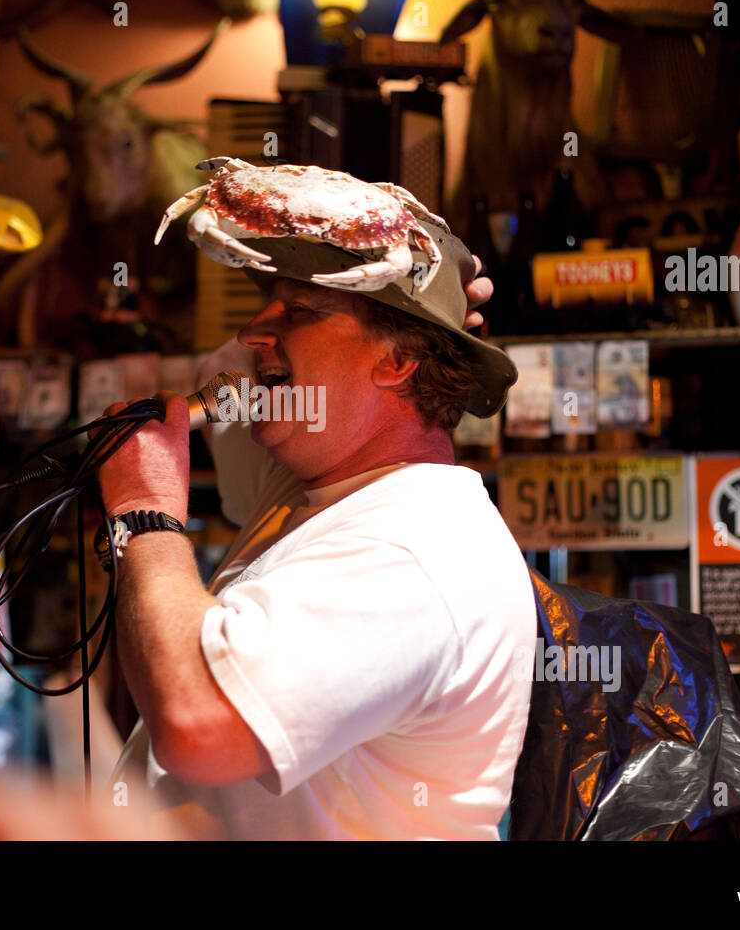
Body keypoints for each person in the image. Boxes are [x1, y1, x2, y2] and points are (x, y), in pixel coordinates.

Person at [96, 212, 537, 839]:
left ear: (399, 359)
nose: (254, 331)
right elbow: (226, 367)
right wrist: (428, 291)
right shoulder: (320, 482)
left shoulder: (416, 548)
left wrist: (144, 513)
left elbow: (200, 723)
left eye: (300, 310)